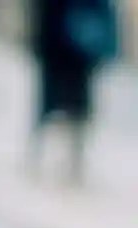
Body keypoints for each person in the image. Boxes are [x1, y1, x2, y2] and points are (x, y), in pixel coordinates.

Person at [28, 0, 119, 184]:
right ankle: (57, 160)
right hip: (61, 46)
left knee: (70, 107)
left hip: (75, 47)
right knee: (57, 106)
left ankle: (70, 162)